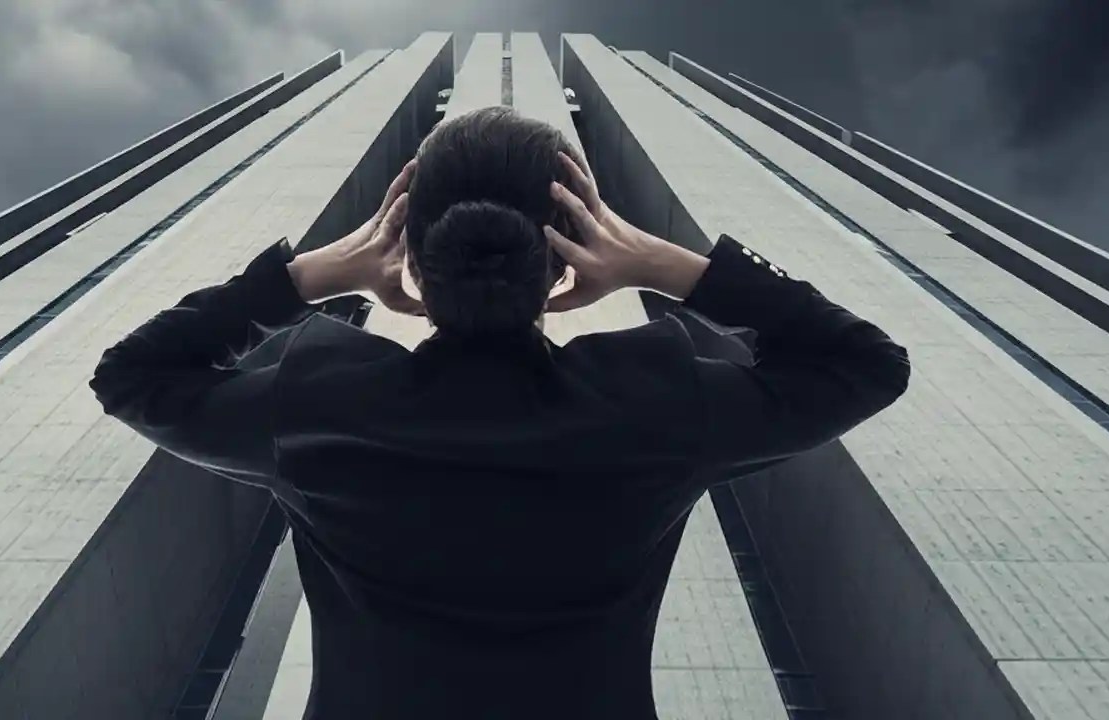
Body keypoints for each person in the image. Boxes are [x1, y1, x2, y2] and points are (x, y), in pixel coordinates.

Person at [91, 106, 910, 720]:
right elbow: (867, 365)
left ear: (409, 251)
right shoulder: (654, 403)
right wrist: (666, 264)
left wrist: (305, 276)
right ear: (565, 258)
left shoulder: (320, 403)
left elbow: (132, 375)